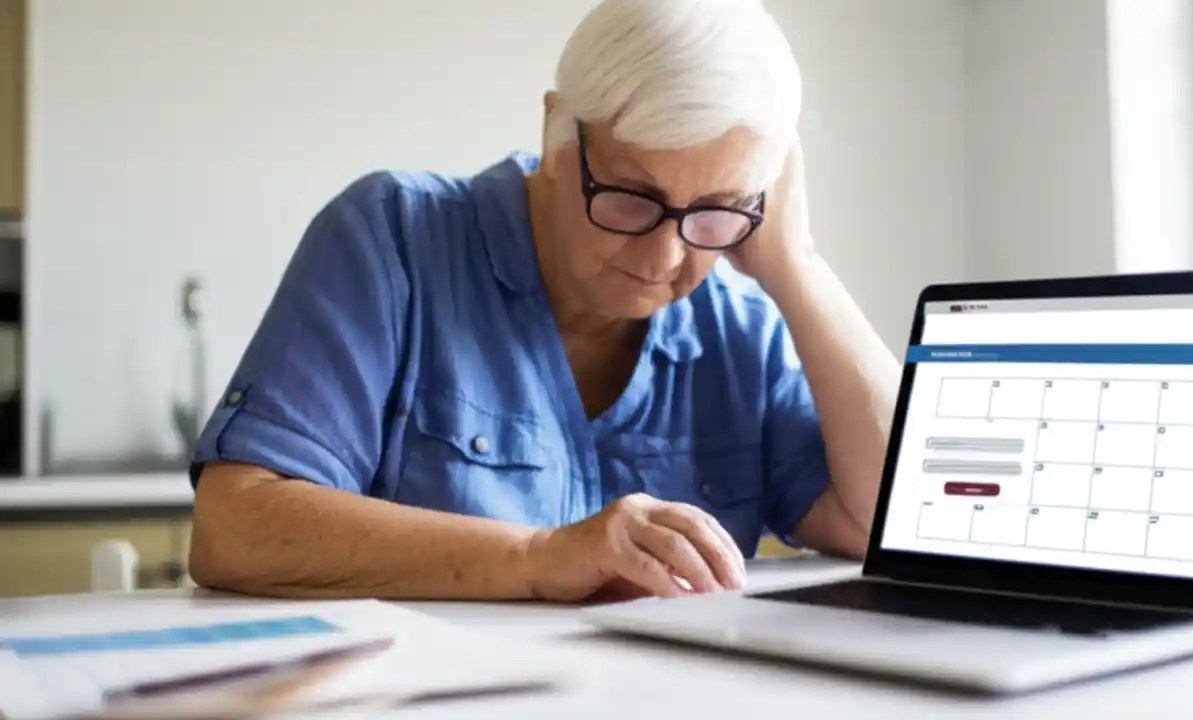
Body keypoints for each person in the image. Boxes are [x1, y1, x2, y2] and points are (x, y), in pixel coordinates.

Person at [187, 0, 899, 602]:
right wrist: (537, 556)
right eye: (630, 198)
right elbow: (235, 529)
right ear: (558, 136)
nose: (664, 260)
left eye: (714, 213)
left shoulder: (741, 329)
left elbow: (890, 524)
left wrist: (798, 267)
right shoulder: (395, 240)